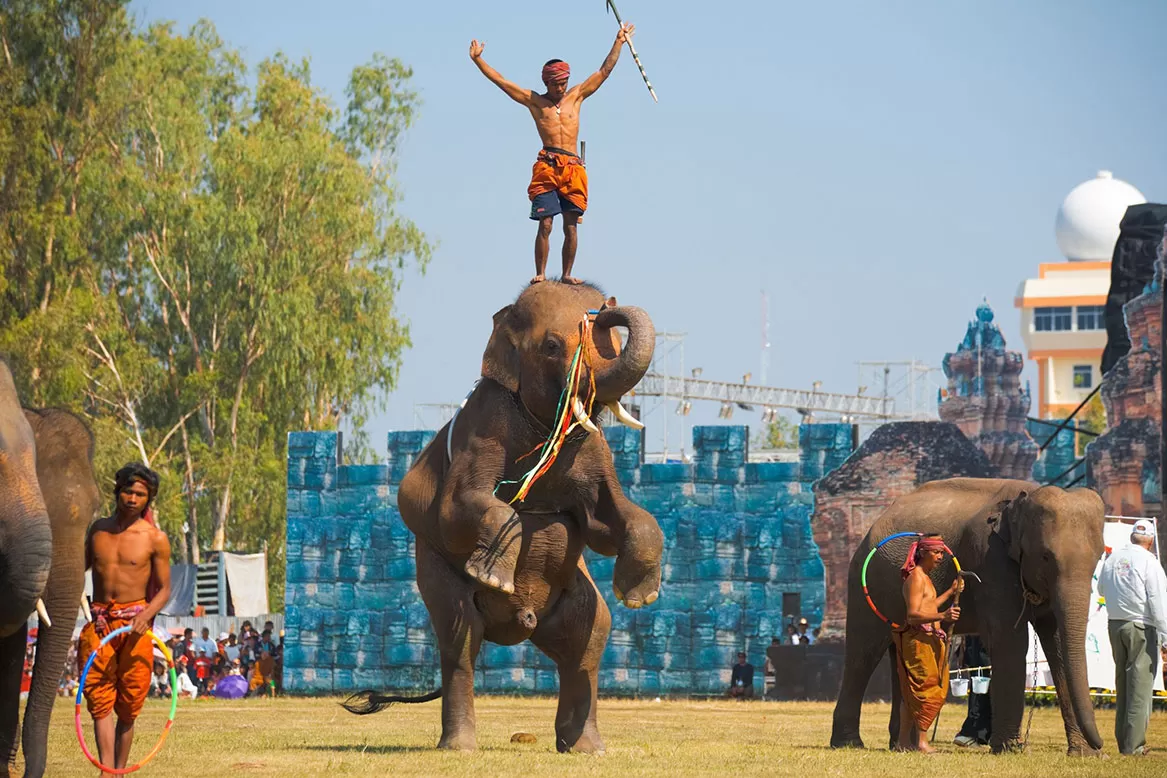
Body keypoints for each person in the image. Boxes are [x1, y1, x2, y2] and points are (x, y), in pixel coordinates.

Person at [469, 23, 636, 285]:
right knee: (545, 223)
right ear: (546, 82)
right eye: (556, 83)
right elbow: (502, 82)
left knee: (570, 226)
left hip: (573, 168)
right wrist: (479, 60)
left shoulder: (576, 96)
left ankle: (567, 274)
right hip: (547, 166)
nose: (561, 87)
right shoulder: (535, 102)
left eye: (564, 82)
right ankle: (541, 273)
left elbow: (604, 71)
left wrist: (618, 42)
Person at [79, 463, 172, 771]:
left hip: (136, 628)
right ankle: (108, 770)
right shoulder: (98, 530)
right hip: (100, 624)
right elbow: (78, 570)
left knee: (129, 707)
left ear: (149, 499)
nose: (133, 499)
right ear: (117, 491)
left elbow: (165, 590)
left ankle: (119, 770)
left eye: (141, 494)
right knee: (99, 700)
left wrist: (146, 615)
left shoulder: (155, 538)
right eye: (128, 491)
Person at [1098, 519, 1167, 756]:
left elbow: (1101, 590)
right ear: (1150, 540)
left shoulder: (1113, 558)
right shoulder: (1150, 562)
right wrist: (1166, 634)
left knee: (1123, 684)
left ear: (1131, 537)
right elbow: (1158, 602)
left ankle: (1124, 742)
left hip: (1115, 624)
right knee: (1140, 687)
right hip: (1141, 626)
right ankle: (1134, 747)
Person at [893, 534, 962, 753]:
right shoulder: (915, 578)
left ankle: (903, 742)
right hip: (918, 642)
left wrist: (951, 593)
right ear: (923, 553)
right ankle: (919, 742)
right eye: (936, 552)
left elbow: (928, 607)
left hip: (931, 641)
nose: (940, 557)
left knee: (919, 692)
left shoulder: (926, 577)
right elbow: (913, 616)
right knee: (922, 691)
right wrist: (944, 616)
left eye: (942, 552)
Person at [953, 635, 992, 747]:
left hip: (977, 646)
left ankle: (980, 734)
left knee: (982, 689)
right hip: (982, 647)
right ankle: (969, 732)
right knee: (981, 690)